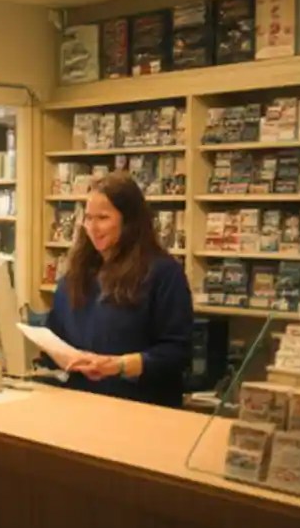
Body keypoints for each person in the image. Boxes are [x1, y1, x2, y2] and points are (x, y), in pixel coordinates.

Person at [42, 171, 194, 408]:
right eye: (88, 218)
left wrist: (119, 365)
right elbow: (55, 336)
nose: (93, 227)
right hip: (80, 403)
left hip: (139, 407)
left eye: (103, 218)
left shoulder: (163, 273)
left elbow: (177, 352)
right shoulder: (76, 275)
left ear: (129, 221)